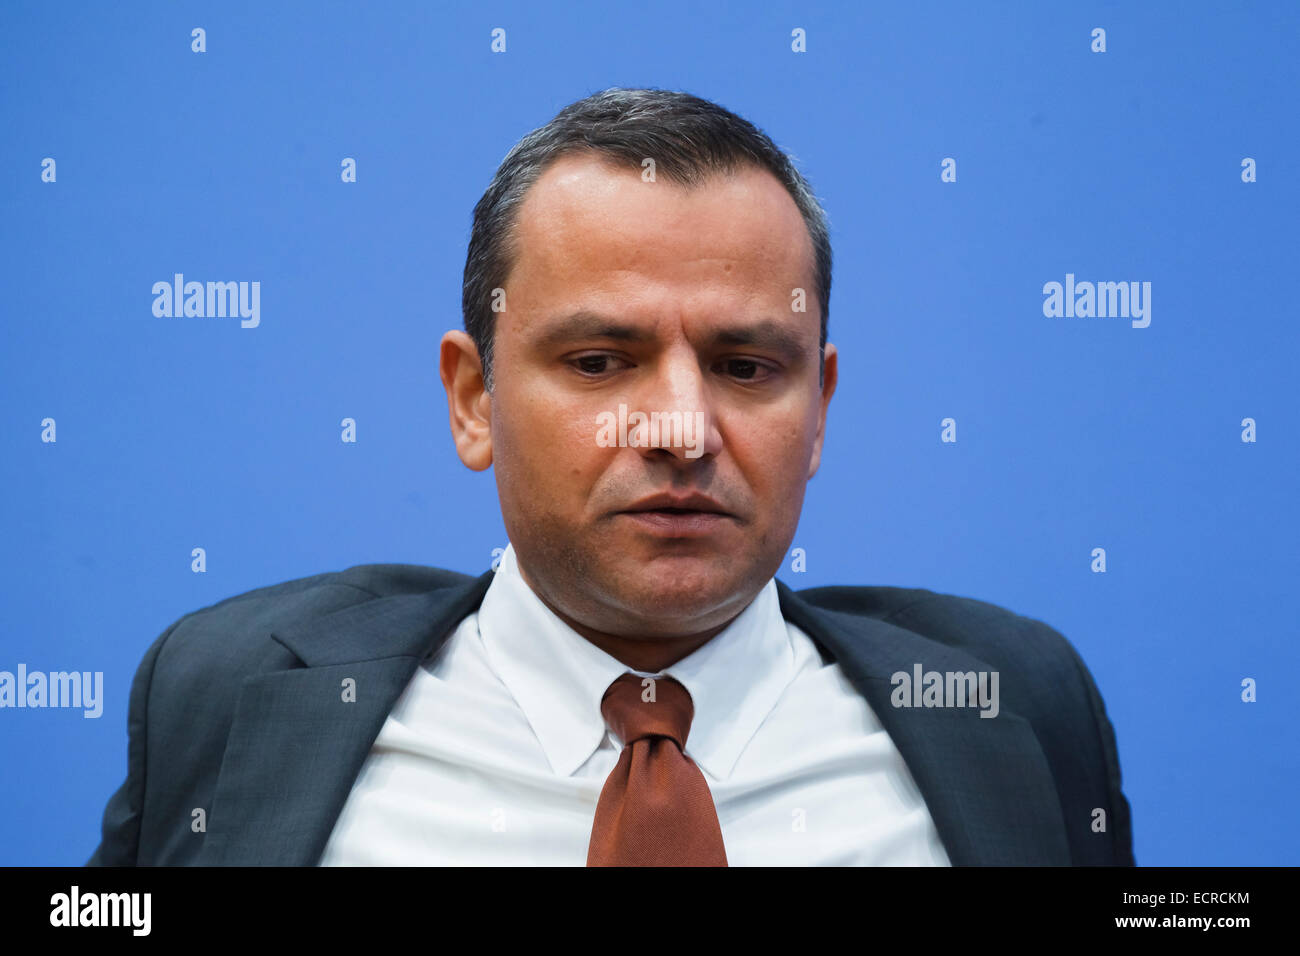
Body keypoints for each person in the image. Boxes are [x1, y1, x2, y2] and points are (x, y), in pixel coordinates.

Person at [87, 87, 1134, 867]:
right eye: (598, 361)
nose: (680, 427)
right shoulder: (226, 693)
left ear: (817, 408)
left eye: (745, 367)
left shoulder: (1010, 706)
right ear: (473, 399)